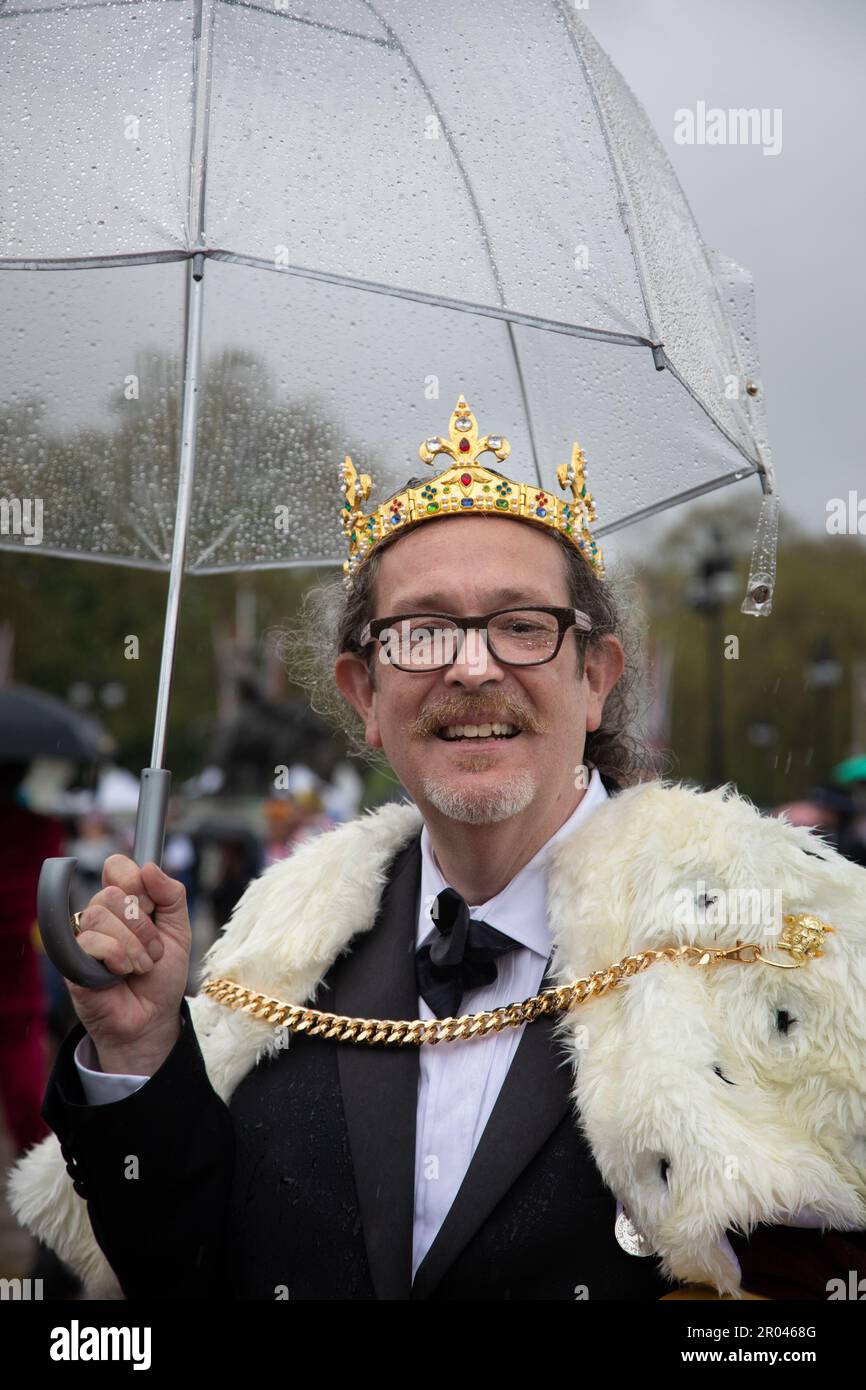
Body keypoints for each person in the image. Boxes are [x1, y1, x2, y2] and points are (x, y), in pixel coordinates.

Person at [8, 397, 866, 1300]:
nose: (471, 667)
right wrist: (141, 1051)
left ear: (596, 681)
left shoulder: (784, 937)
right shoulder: (279, 955)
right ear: (363, 695)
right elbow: (187, 1273)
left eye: (523, 626)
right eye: (421, 631)